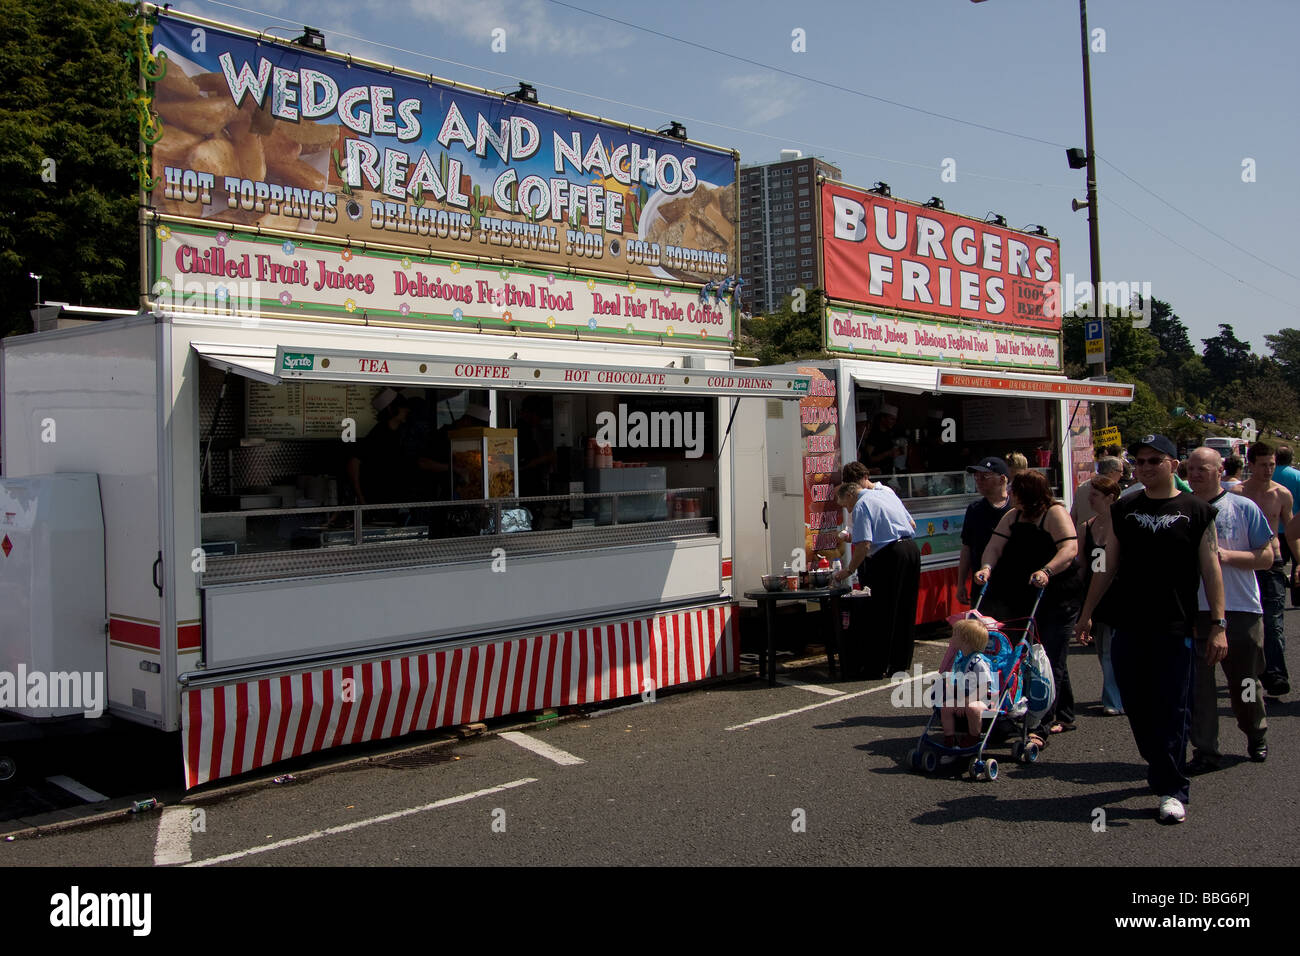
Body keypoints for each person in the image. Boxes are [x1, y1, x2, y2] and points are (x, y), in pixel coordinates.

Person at [1074, 434, 1225, 825]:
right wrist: (1087, 612)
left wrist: (1219, 624)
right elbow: (1106, 564)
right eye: (1139, 462)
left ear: (1173, 464)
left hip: (1175, 625)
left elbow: (1211, 569)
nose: (1144, 468)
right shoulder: (1126, 508)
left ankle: (1172, 789)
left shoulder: (1196, 510)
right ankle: (1160, 763)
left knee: (1172, 707)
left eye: (1154, 461)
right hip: (1129, 623)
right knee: (1137, 705)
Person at [974, 469, 1078, 748]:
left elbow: (1069, 549)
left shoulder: (1054, 514)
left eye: (1017, 491)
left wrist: (1047, 570)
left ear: (1028, 493)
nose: (1012, 496)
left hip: (1055, 595)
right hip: (1021, 594)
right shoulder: (1013, 516)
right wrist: (986, 567)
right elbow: (994, 546)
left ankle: (1041, 724)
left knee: (1049, 656)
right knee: (1020, 655)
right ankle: (1060, 713)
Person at [1184, 447, 1272, 772]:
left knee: (1244, 683)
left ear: (1219, 470)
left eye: (1201, 469)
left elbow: (1266, 558)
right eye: (1190, 468)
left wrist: (1225, 556)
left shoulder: (1242, 507)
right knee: (1199, 687)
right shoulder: (1181, 509)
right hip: (1197, 612)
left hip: (1241, 610)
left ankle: (1255, 731)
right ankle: (1205, 750)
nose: (1194, 474)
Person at [832, 479, 921, 679]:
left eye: (845, 505)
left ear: (850, 495)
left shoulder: (861, 505)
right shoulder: (886, 494)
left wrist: (848, 570)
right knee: (905, 609)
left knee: (883, 611)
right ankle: (899, 663)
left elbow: (863, 544)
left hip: (890, 554)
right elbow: (912, 523)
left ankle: (876, 666)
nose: (848, 510)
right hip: (911, 549)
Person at [1233, 440, 1293, 697]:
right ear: (1251, 465)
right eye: (1263, 465)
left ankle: (1276, 675)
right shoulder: (1239, 493)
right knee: (1246, 625)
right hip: (1245, 562)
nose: (1268, 470)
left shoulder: (1282, 494)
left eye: (1272, 465)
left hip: (1274, 562)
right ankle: (1250, 671)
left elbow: (1291, 533)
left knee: (1273, 623)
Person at [1074, 475, 1124, 715]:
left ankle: (1115, 699)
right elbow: (1082, 567)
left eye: (1095, 495)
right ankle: (1115, 697)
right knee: (1104, 648)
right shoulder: (1086, 527)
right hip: (1095, 596)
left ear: (1110, 498)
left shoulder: (1124, 525)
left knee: (1117, 647)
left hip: (1120, 594)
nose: (1090, 499)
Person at [346, 389, 412, 513]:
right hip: (378, 502)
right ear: (391, 409)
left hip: (395, 502)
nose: (407, 411)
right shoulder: (379, 434)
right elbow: (353, 462)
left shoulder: (401, 433)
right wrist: (361, 498)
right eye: (403, 407)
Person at [957, 457, 1010, 605]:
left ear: (1002, 479)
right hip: (981, 585)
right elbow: (967, 548)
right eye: (976, 477)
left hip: (1012, 587)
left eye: (984, 476)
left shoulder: (1016, 509)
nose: (979, 481)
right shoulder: (974, 509)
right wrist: (961, 584)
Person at [940, 618, 996, 751]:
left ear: (965, 640)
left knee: (972, 708)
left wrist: (965, 701)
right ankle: (950, 738)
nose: (951, 638)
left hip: (984, 698)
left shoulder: (978, 662)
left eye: (955, 635)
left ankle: (973, 737)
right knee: (946, 707)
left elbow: (984, 687)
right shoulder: (961, 661)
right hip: (964, 696)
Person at [1272, 445, 1300, 607]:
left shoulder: (1268, 476)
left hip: (1274, 529)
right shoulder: (1297, 476)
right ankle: (1297, 597)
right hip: (1295, 528)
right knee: (1298, 562)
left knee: (1275, 565)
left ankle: (1276, 594)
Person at [1071, 456, 1123, 526]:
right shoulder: (1112, 489)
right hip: (1103, 533)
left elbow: (1073, 515)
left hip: (1082, 533)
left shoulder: (1082, 487)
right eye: (1120, 471)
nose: (1121, 475)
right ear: (1111, 472)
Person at [860, 404, 903, 475]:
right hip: (877, 474)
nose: (894, 422)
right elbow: (868, 458)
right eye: (892, 419)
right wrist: (887, 453)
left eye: (895, 420)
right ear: (883, 418)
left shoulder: (889, 434)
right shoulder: (874, 435)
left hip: (888, 473)